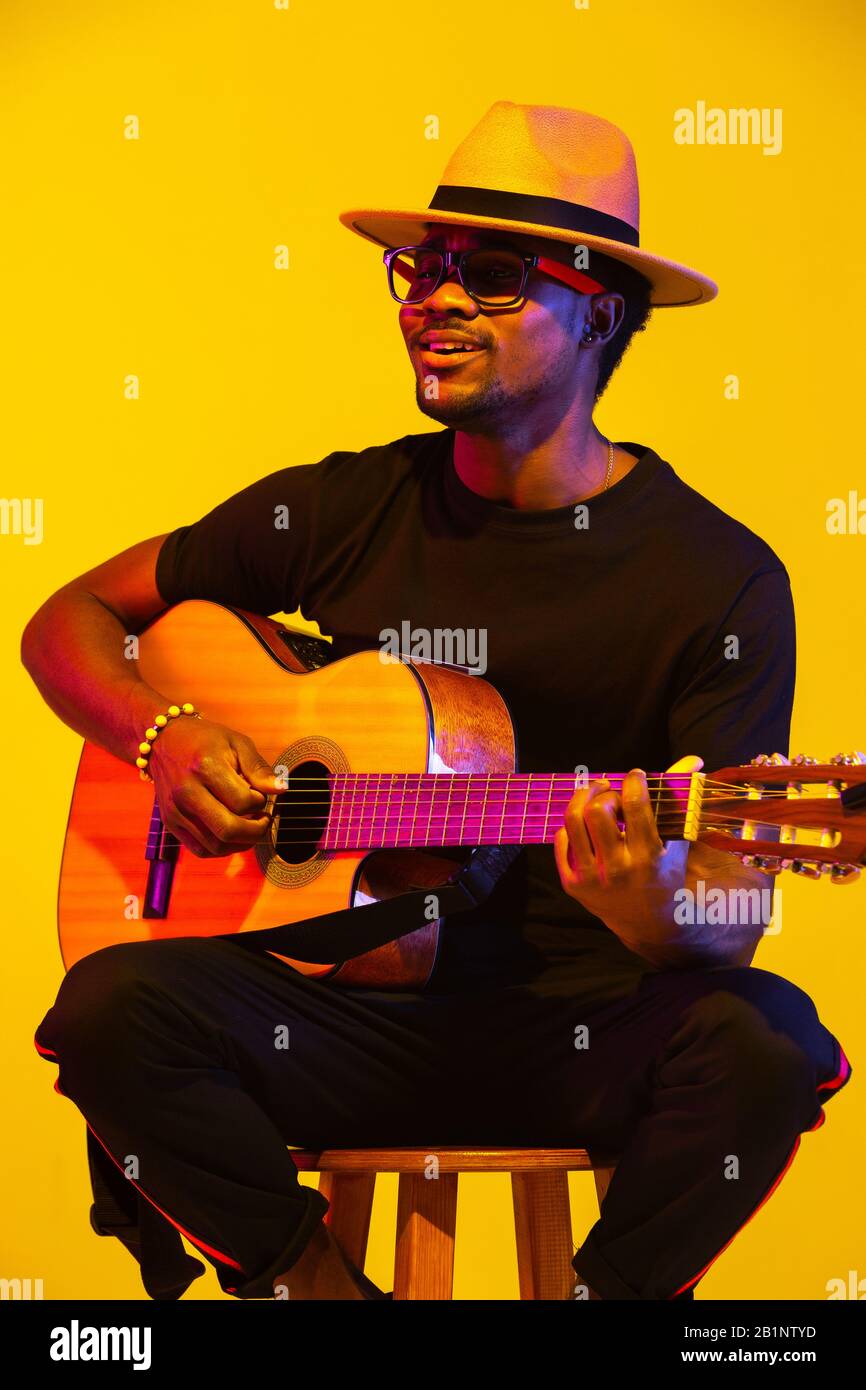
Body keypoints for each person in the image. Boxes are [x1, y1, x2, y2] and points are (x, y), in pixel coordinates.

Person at [22, 102, 851, 1302]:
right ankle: (317, 1288)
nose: (435, 300)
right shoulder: (341, 509)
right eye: (422, 269)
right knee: (107, 1009)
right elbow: (69, 622)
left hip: (581, 1030)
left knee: (763, 1038)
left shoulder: (715, 576)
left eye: (493, 276)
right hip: (341, 1021)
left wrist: (653, 910)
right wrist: (163, 735)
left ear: (597, 313)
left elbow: (731, 906)